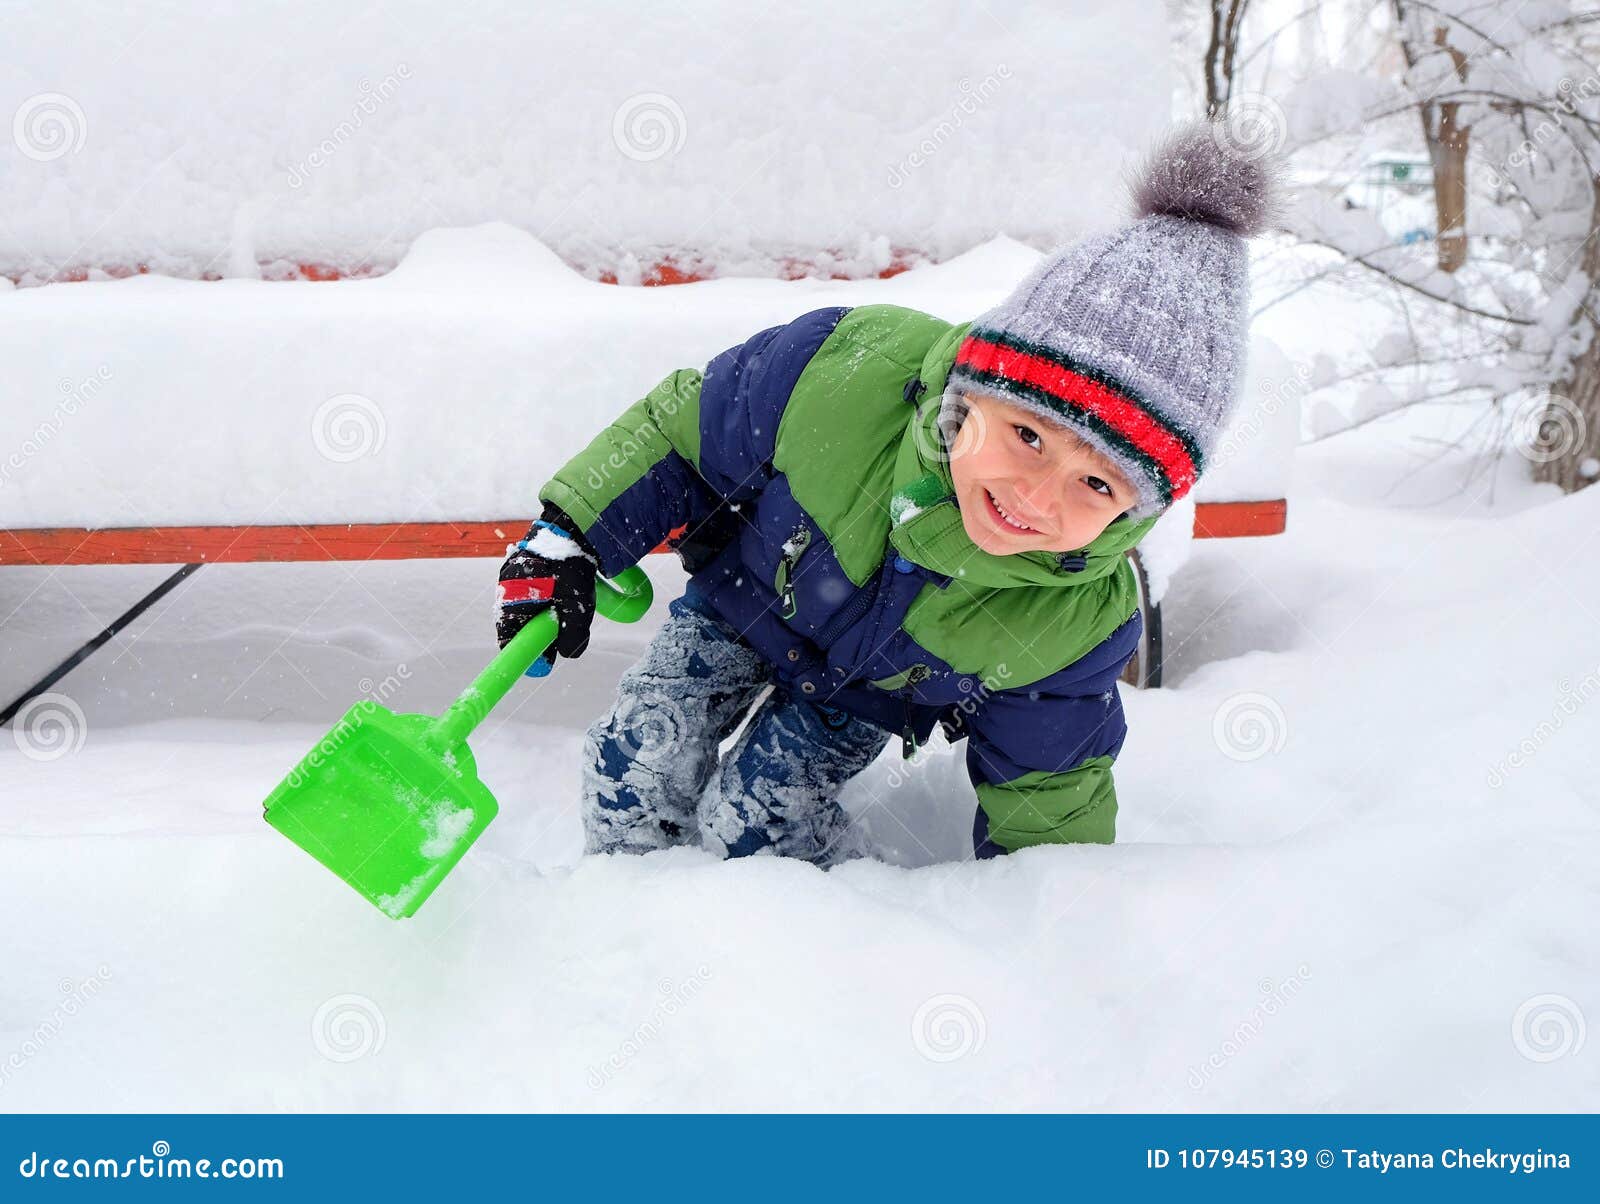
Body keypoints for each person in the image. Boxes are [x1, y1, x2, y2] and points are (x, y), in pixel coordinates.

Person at [494, 122, 1279, 865]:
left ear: (1134, 512)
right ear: (973, 389)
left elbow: (1048, 785)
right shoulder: (844, 372)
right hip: (743, 604)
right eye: (1028, 436)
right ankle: (623, 920)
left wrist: (1052, 910)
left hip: (863, 696)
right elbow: (683, 434)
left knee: (760, 817)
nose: (1036, 497)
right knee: (635, 761)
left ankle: (779, 948)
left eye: (1097, 481)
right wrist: (571, 538)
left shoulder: (1069, 618)